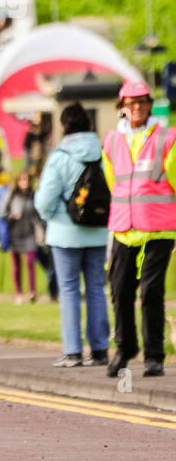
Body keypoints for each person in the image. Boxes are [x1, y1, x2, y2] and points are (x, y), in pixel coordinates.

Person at [102, 81, 176, 377]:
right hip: (124, 227)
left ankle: (154, 356)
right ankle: (126, 346)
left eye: (142, 102)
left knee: (151, 291)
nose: (137, 107)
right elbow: (113, 181)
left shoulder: (167, 138)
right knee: (120, 290)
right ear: (121, 106)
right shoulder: (110, 141)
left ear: (149, 104)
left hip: (159, 227)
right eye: (131, 103)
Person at [34, 103, 111, 367]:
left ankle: (73, 352)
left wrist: (59, 217)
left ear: (65, 125)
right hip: (98, 231)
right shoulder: (103, 152)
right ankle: (100, 350)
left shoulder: (60, 156)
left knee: (68, 290)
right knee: (96, 289)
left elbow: (44, 201)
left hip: (65, 235)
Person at [0, 171, 41, 303]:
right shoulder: (12, 196)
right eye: (21, 180)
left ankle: (32, 292)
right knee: (16, 266)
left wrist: (42, 231)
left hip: (30, 233)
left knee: (30, 262)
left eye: (26, 180)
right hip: (15, 233)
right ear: (17, 182)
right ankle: (18, 293)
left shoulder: (33, 196)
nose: (24, 183)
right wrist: (11, 216)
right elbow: (2, 213)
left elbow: (39, 215)